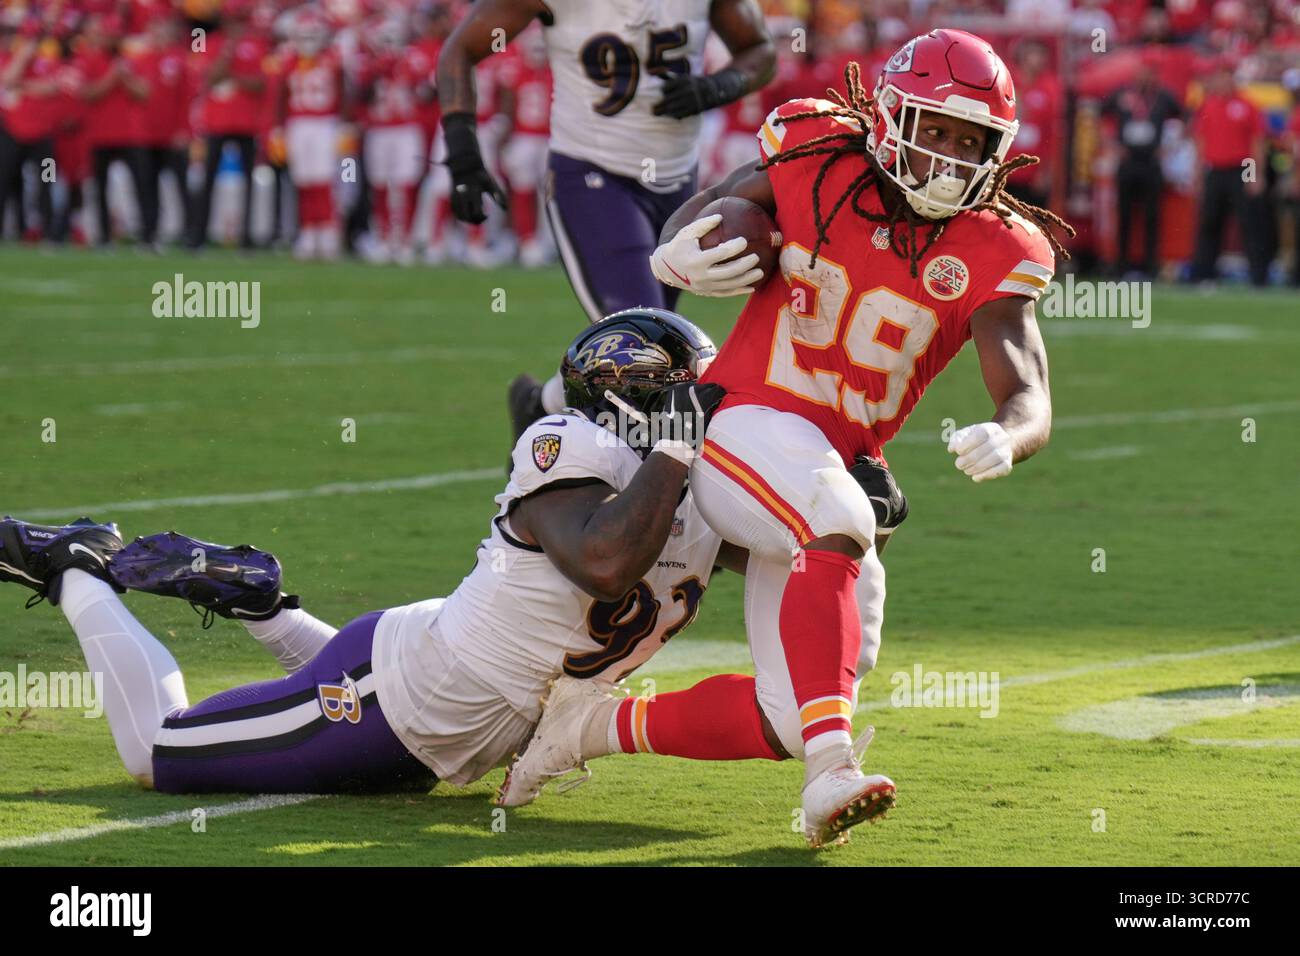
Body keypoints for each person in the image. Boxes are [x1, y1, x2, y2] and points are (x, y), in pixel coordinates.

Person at [504, 29, 1073, 848]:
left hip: (829, 458)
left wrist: (1010, 435)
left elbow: (1028, 389)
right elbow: (719, 206)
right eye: (934, 129)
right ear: (888, 115)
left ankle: (583, 729)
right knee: (834, 524)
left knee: (791, 712)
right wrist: (683, 244)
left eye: (969, 141)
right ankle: (832, 774)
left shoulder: (997, 246)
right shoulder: (818, 153)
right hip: (735, 421)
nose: (948, 155)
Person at [435, 0, 776, 429]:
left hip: (677, 184)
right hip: (592, 176)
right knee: (651, 357)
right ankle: (647, 484)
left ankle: (540, 406)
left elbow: (760, 50)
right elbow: (460, 50)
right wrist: (463, 151)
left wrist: (719, 85)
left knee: (653, 346)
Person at [1188, 62, 1270, 286]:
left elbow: (1257, 143)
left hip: (1242, 168)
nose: (1222, 82)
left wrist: (1255, 175)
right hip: (1215, 169)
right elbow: (1200, 142)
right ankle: (1204, 275)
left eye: (1227, 77)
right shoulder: (1207, 106)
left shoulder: (1248, 106)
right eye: (1219, 77)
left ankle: (1258, 277)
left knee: (1250, 223)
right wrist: (1197, 175)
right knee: (1209, 223)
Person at [1101, 63, 1181, 277]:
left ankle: (1151, 266)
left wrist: (1171, 146)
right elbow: (1099, 114)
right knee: (1124, 214)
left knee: (1152, 215)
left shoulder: (1163, 97)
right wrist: (1111, 144)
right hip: (1127, 162)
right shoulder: (1121, 94)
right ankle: (1120, 265)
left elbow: (1186, 117)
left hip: (1151, 162)